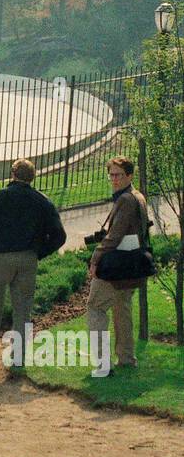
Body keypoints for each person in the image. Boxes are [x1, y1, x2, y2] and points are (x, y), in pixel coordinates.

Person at [0, 157, 66, 369]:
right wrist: (38, 253)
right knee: (23, 309)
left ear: (13, 173)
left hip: (1, 258)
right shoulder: (42, 201)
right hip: (27, 258)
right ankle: (18, 356)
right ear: (33, 177)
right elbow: (59, 236)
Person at [86, 156, 150, 377]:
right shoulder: (138, 196)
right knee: (122, 308)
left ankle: (103, 364)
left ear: (129, 176)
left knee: (95, 307)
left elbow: (114, 236)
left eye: (118, 175)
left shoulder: (125, 200)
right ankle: (126, 358)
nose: (113, 179)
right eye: (111, 174)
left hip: (117, 265)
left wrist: (95, 258)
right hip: (132, 264)